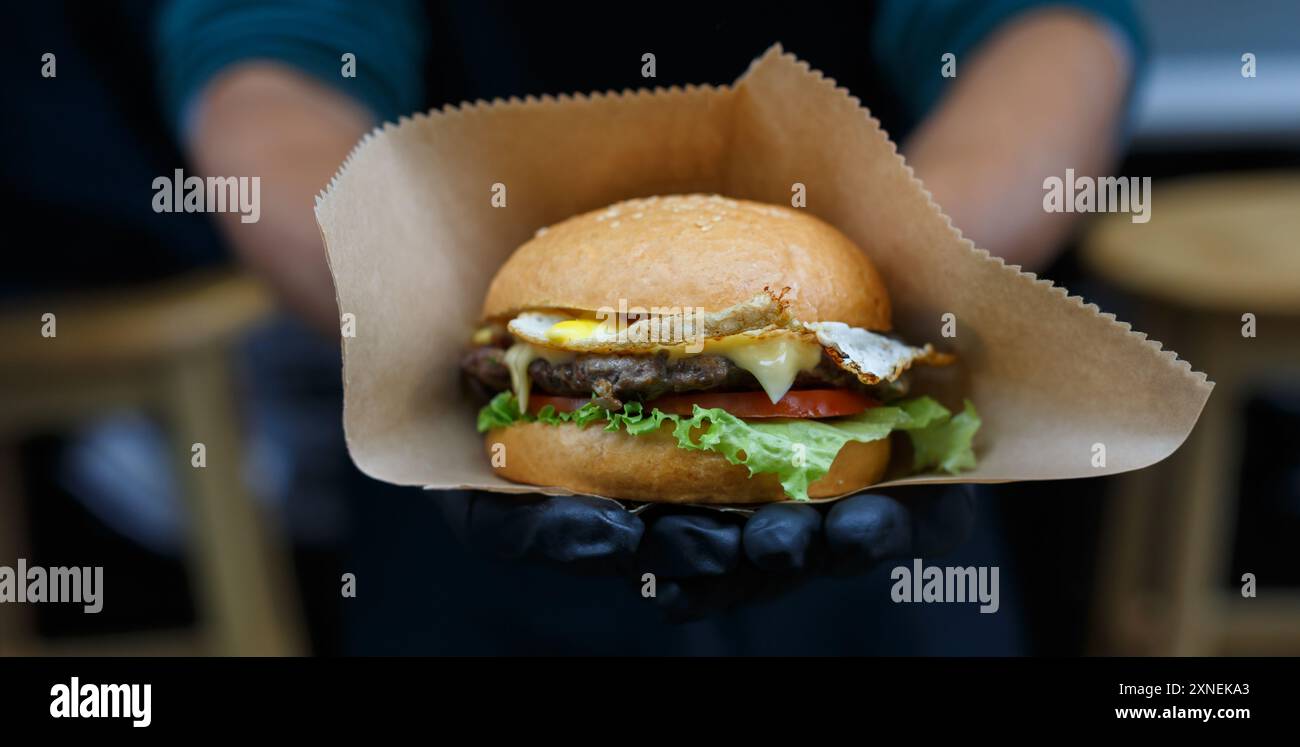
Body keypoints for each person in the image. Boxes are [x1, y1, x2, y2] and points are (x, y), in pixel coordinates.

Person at [6, 1, 1145, 653]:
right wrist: (417, 311)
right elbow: (274, 76)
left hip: (892, 511)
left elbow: (1039, 25)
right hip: (467, 472)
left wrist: (902, 276)